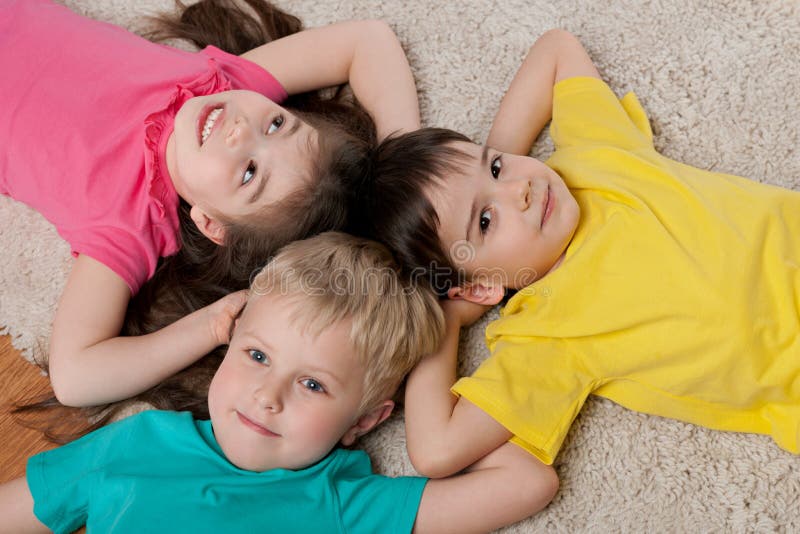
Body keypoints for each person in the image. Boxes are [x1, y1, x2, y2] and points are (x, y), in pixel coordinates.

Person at [353, 28, 800, 484]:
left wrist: (496, 158)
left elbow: (557, 49)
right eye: (485, 220)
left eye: (496, 167)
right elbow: (436, 451)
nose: (520, 189)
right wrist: (447, 317)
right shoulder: (547, 337)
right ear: (479, 285)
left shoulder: (591, 154)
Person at [0, 0, 420, 408]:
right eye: (277, 123)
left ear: (210, 224)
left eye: (250, 172)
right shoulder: (223, 85)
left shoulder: (127, 224)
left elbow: (74, 377)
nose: (241, 130)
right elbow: (367, 40)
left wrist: (212, 325)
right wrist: (407, 177)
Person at [0, 233, 558, 533]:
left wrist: (445, 335)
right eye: (258, 354)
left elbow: (526, 483)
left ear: (364, 421)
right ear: (231, 334)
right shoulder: (139, 442)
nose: (268, 396)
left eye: (313, 385)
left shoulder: (342, 503)